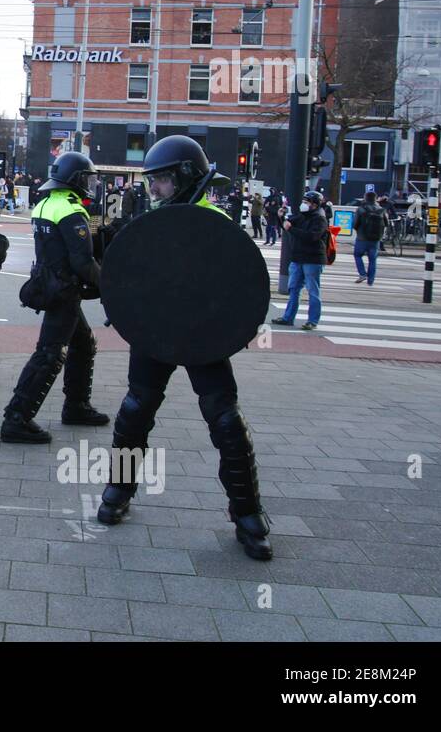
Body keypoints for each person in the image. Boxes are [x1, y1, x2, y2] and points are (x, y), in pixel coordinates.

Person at [97, 135, 272, 561]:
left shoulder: (215, 225)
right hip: (156, 332)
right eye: (150, 181)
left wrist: (232, 328)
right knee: (136, 411)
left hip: (202, 335)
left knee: (225, 420)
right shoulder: (153, 224)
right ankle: (118, 490)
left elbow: (239, 286)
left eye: (160, 181)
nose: (152, 189)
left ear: (185, 177)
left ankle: (248, 515)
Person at [2, 152, 109, 443]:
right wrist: (109, 286)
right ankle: (17, 417)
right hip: (65, 291)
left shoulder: (46, 204)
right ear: (75, 179)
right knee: (49, 354)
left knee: (84, 344)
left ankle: (77, 405)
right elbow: (83, 261)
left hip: (47, 283)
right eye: (86, 177)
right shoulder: (71, 211)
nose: (89, 183)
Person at [272, 189, 328, 331]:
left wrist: (291, 229)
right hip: (298, 257)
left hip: (313, 259)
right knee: (294, 289)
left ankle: (312, 321)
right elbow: (288, 225)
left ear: (314, 204)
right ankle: (288, 318)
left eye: (306, 202)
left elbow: (312, 237)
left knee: (312, 290)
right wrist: (281, 218)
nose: (303, 204)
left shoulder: (319, 218)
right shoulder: (303, 216)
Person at [352, 191, 384, 285]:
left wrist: (359, 230)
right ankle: (371, 281)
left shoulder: (361, 209)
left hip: (362, 237)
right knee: (373, 260)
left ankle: (362, 274)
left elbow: (355, 224)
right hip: (376, 239)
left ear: (365, 198)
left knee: (357, 255)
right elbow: (386, 223)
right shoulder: (381, 209)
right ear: (376, 198)